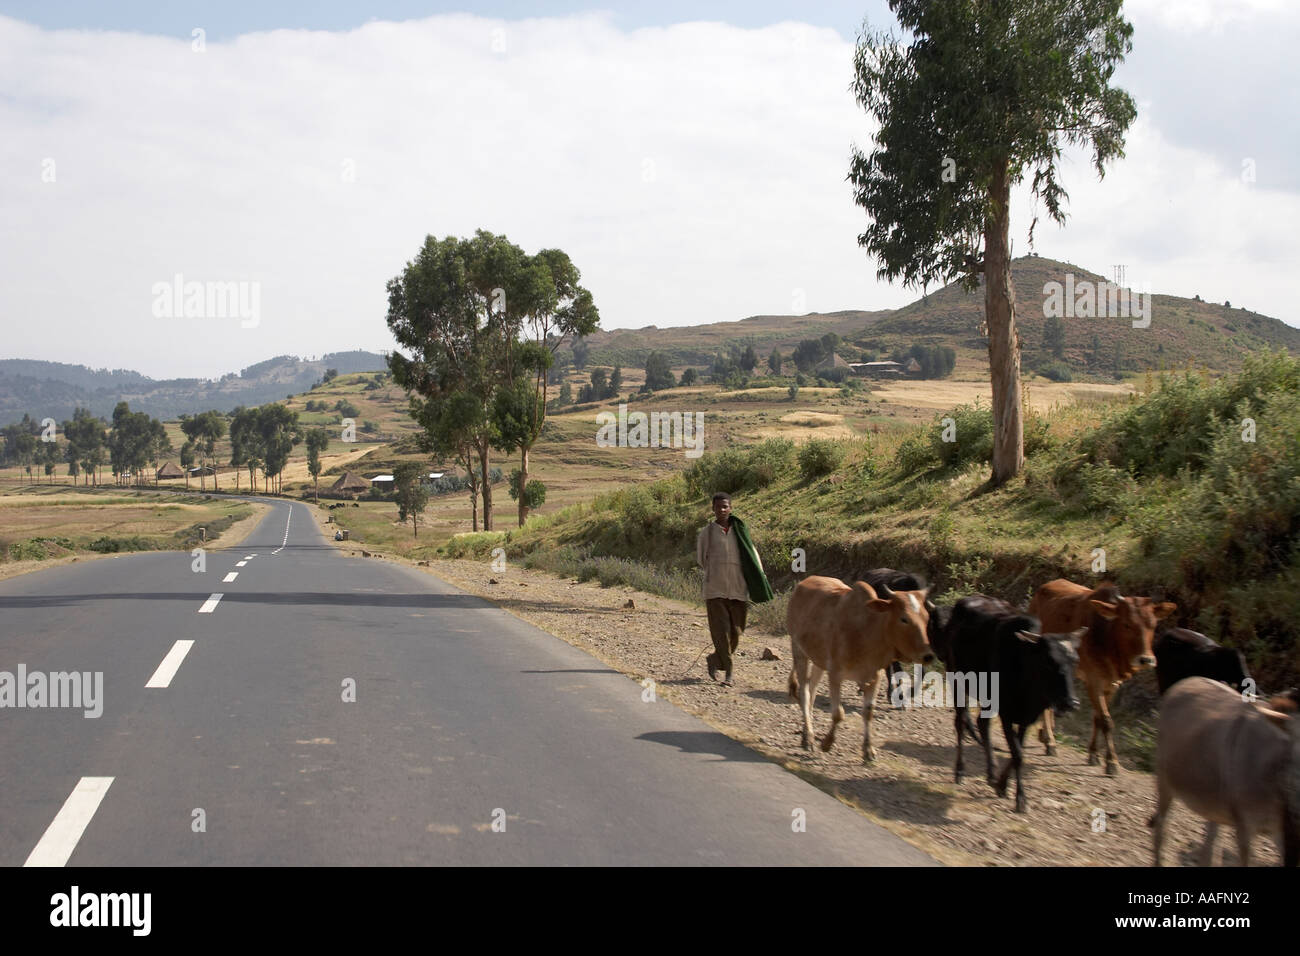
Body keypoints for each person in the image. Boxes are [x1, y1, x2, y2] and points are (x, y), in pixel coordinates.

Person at [695, 492, 772, 686]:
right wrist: (717, 572)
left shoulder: (740, 531)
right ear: (712, 509)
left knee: (737, 632)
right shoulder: (707, 532)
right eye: (718, 507)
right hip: (715, 590)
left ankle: (714, 659)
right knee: (721, 633)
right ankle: (729, 672)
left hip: (738, 589)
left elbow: (752, 557)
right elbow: (701, 559)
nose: (721, 510)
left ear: (730, 508)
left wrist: (757, 579)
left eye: (725, 506)